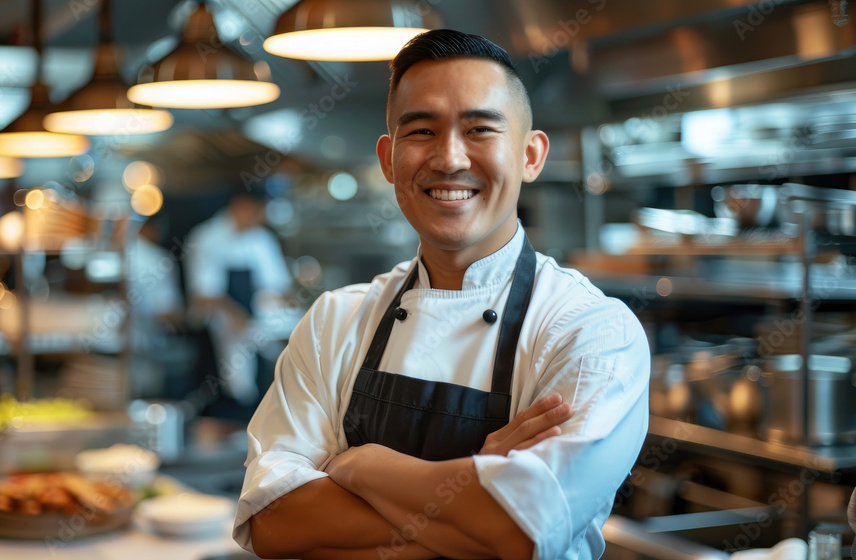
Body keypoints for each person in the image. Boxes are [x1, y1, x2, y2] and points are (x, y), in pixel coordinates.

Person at [234, 29, 650, 560]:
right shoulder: (334, 320)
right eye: (422, 131)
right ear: (388, 160)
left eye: (479, 129)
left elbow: (518, 532)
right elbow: (272, 524)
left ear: (530, 155)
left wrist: (358, 465)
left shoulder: (589, 331)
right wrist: (475, 475)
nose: (450, 158)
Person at [185, 188, 292, 407]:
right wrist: (235, 315)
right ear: (240, 205)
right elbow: (203, 295)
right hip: (215, 341)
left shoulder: (263, 240)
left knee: (264, 399)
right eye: (257, 212)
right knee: (225, 406)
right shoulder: (206, 238)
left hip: (261, 335)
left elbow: (279, 286)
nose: (260, 218)